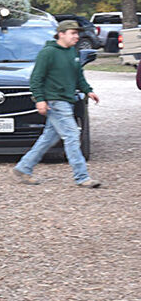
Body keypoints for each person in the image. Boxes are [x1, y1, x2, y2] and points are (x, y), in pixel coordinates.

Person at [12, 19, 101, 187]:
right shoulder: (48, 53)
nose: (77, 36)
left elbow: (78, 76)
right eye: (73, 33)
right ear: (61, 34)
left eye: (77, 33)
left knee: (48, 138)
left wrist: (88, 90)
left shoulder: (72, 52)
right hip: (56, 101)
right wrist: (39, 100)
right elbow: (36, 79)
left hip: (67, 101)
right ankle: (82, 177)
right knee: (72, 135)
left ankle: (24, 167)